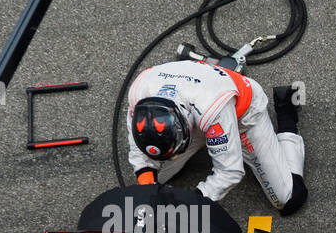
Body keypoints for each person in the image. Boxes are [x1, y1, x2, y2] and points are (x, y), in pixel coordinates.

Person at [127, 58, 307, 214]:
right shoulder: (139, 94)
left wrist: (193, 202)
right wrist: (147, 185)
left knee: (287, 199)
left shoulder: (211, 110)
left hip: (242, 115)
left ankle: (286, 109)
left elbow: (230, 171)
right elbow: (138, 148)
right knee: (155, 181)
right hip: (200, 102)